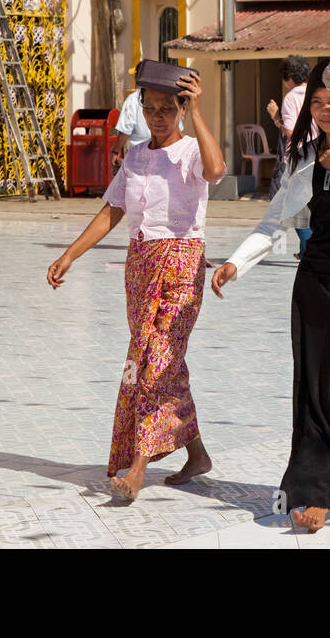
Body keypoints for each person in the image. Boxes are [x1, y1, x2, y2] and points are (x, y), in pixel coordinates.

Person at [211, 55, 330, 533]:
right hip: (313, 281)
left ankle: (328, 489)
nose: (324, 110)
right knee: (315, 386)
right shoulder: (304, 156)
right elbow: (276, 219)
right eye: (317, 101)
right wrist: (236, 262)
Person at [48, 69, 226, 502]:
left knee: (153, 360)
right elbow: (113, 210)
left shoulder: (189, 152)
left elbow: (217, 170)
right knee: (162, 363)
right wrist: (70, 253)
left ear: (182, 109)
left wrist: (199, 110)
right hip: (140, 266)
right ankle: (197, 453)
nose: (158, 117)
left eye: (168, 109)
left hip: (181, 263)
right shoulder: (136, 157)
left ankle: (138, 466)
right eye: (150, 109)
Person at [266, 55, 316, 257]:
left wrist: (275, 117)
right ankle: (306, 249)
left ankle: (309, 247)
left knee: (291, 206)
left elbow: (290, 130)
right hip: (316, 155)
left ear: (288, 78)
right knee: (308, 204)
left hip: (297, 158)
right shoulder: (315, 94)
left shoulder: (291, 97)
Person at [111, 86, 183, 173]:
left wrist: (115, 152)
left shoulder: (191, 154)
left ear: (183, 110)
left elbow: (125, 130)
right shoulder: (134, 99)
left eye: (166, 109)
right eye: (149, 108)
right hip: (140, 159)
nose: (156, 117)